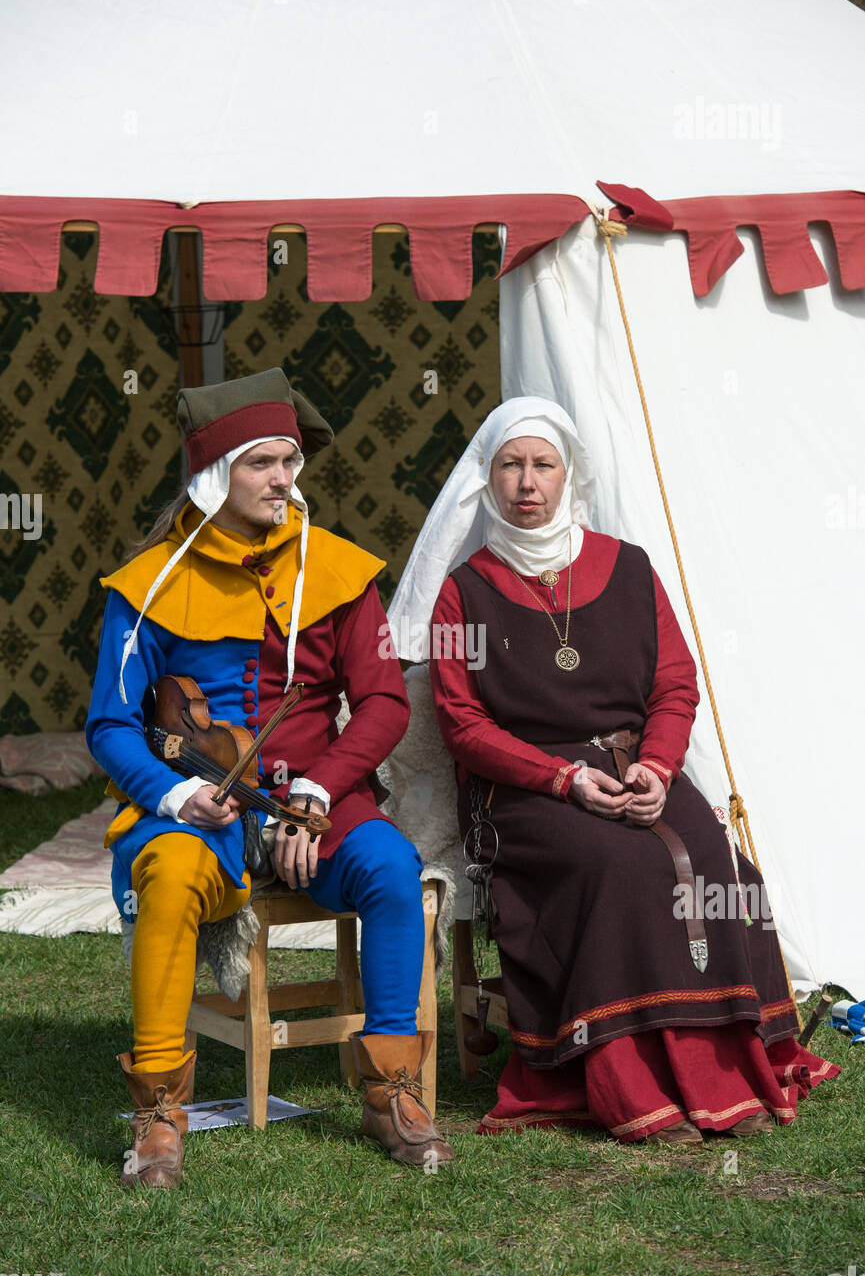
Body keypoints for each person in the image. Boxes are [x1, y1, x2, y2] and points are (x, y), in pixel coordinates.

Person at [388, 396, 839, 1143]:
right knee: (615, 867)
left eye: (542, 465)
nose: (525, 484)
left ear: (570, 476)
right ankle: (633, 1084)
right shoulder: (462, 590)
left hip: (636, 767)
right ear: (486, 477)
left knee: (722, 867)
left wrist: (659, 767)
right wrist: (563, 779)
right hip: (524, 787)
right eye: (509, 466)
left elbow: (673, 681)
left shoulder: (627, 568)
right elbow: (464, 725)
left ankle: (727, 1072)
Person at [86, 368, 453, 1186]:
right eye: (262, 463)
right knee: (170, 871)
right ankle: (158, 1116)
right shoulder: (145, 587)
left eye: (290, 462)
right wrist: (175, 793)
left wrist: (320, 786)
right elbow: (108, 726)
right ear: (216, 475)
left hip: (313, 804)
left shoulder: (339, 573)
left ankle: (390, 1092)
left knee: (392, 868)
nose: (284, 480)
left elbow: (385, 703)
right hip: (196, 810)